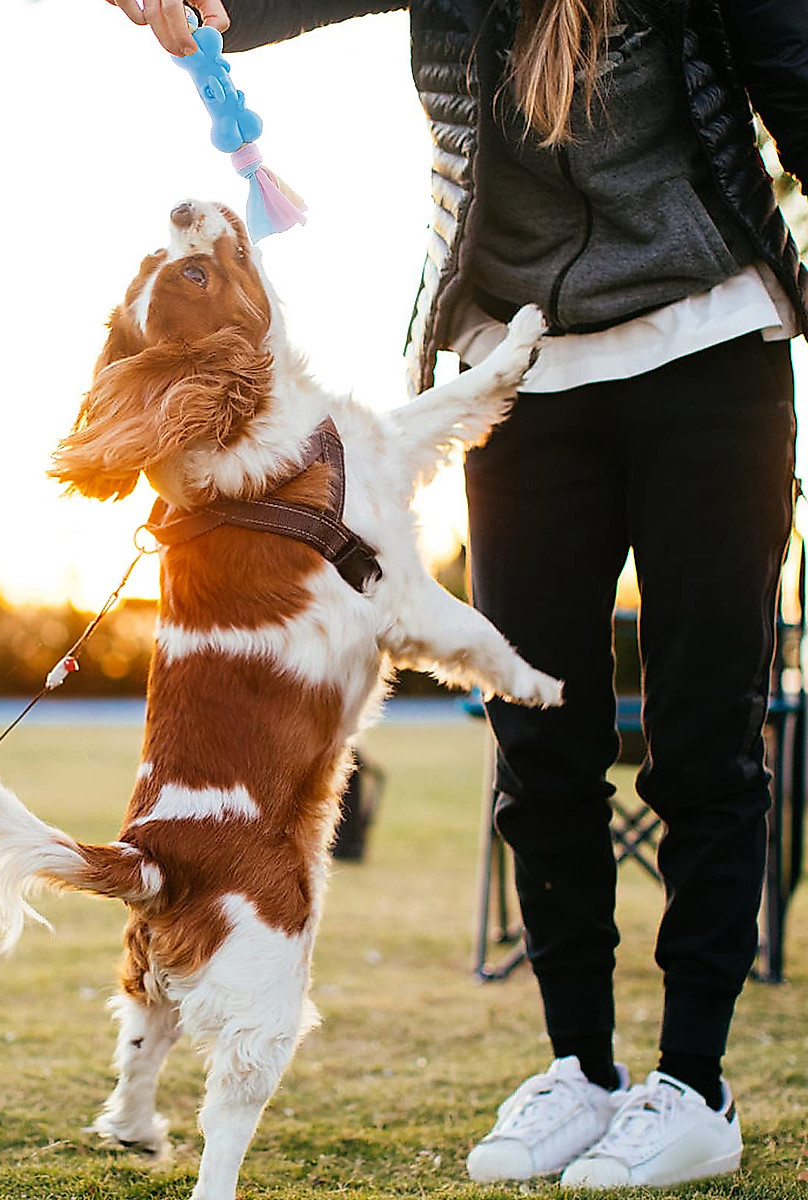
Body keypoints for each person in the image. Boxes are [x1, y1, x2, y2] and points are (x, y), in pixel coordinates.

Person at [103, 0, 807, 1188]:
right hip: (523, 385)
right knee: (541, 742)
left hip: (711, 358)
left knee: (704, 743)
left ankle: (695, 1084)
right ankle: (580, 1070)